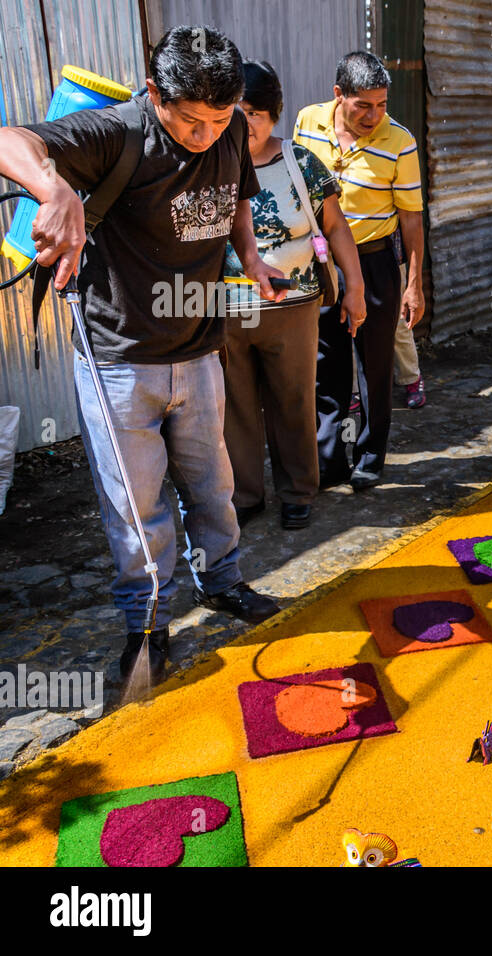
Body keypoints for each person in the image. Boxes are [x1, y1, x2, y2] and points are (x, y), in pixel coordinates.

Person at [0, 25, 285, 679]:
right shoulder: (115, 133)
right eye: (189, 121)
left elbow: (237, 199)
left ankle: (223, 582)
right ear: (155, 93)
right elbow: (8, 140)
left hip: (199, 347)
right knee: (137, 505)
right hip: (118, 359)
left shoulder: (232, 128)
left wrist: (252, 259)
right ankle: (147, 622)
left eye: (218, 119)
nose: (205, 135)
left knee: (215, 487)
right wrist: (56, 188)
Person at [222, 61, 365, 532]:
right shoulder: (212, 160)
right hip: (228, 310)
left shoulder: (299, 162)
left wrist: (355, 287)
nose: (245, 126)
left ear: (274, 114)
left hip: (294, 307)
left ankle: (298, 491)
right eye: (236, 114)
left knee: (293, 401)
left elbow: (336, 227)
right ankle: (245, 495)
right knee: (236, 408)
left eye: (254, 115)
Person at [295, 51, 425, 490]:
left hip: (374, 262)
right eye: (363, 105)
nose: (374, 115)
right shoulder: (306, 121)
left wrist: (414, 284)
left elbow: (411, 218)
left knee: (374, 362)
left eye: (382, 104)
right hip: (321, 264)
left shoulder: (400, 142)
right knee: (325, 362)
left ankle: (370, 453)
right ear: (338, 95)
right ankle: (329, 460)